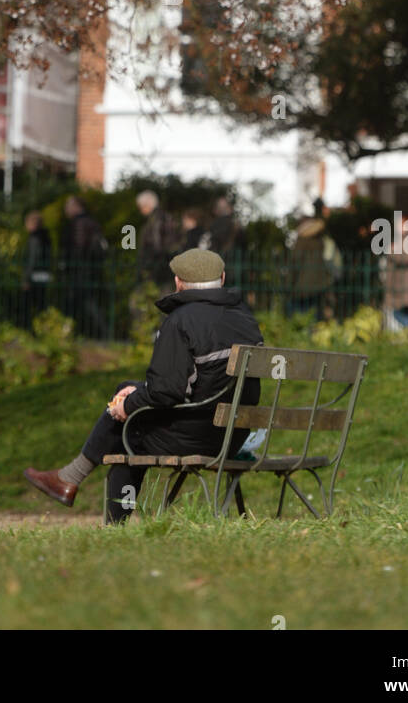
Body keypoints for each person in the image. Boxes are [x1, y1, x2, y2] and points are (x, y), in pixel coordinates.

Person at [23, 248, 263, 523]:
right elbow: (197, 384)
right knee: (127, 390)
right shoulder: (245, 319)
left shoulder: (180, 321)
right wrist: (133, 394)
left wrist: (129, 404)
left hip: (195, 438)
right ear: (222, 278)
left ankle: (101, 512)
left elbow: (166, 391)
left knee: (127, 433)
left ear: (178, 282)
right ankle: (69, 478)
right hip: (231, 436)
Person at [60, 195, 109, 339]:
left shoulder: (79, 223)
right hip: (88, 270)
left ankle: (102, 333)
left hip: (80, 270)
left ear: (76, 206)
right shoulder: (91, 221)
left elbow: (79, 247)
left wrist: (69, 265)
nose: (66, 209)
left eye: (68, 206)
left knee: (82, 303)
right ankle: (73, 332)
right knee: (82, 304)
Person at [285, 199, 342, 320]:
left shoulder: (302, 240)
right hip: (318, 284)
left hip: (302, 286)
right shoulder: (321, 239)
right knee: (314, 317)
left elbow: (295, 262)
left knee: (299, 317)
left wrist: (289, 284)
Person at [135, 189, 181, 287]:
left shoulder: (155, 220)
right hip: (167, 264)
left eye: (141, 206)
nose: (140, 210)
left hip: (157, 266)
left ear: (147, 205)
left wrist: (148, 264)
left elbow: (157, 244)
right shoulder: (166, 217)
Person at [21, 210, 53, 327]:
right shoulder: (46, 237)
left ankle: (31, 329)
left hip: (34, 275)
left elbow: (32, 260)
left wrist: (26, 278)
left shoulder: (35, 238)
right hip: (44, 273)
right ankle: (42, 327)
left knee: (29, 305)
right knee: (41, 303)